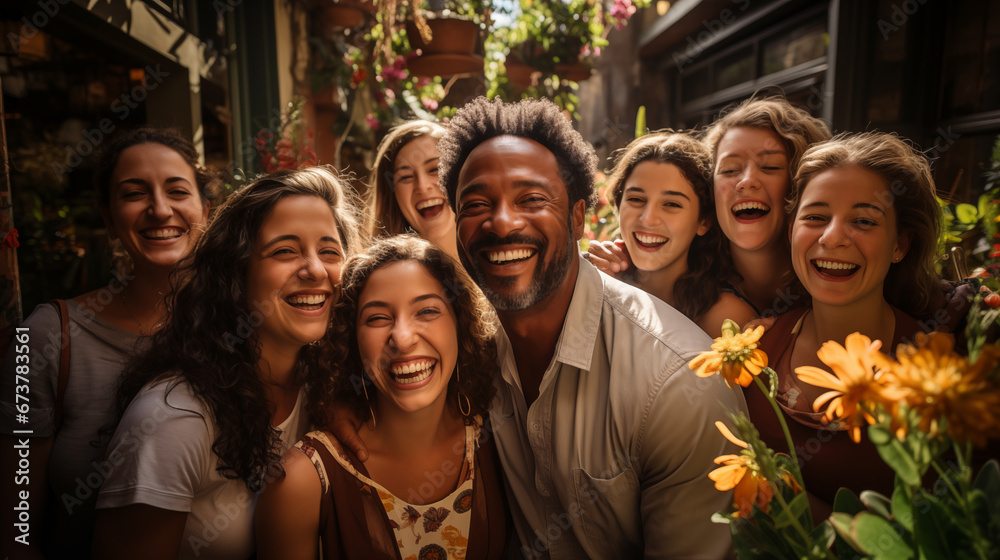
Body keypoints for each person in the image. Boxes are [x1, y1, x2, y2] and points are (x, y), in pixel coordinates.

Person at [434, 97, 742, 559]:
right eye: (476, 203)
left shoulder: (678, 384)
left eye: (531, 199)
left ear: (578, 217)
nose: (501, 222)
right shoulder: (462, 351)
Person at [92, 167, 365, 560]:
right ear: (236, 272)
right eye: (285, 251)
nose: (315, 270)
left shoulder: (327, 387)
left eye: (329, 251)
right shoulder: (173, 418)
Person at [0, 128, 217, 559]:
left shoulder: (241, 330)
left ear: (205, 210)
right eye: (134, 194)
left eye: (177, 190)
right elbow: (16, 526)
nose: (159, 209)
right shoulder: (44, 337)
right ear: (108, 217)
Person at [255, 235, 510, 559]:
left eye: (427, 311)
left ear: (460, 323)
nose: (402, 339)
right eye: (377, 318)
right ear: (351, 340)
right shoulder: (300, 481)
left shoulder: (501, 436)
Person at [744, 132, 942, 515]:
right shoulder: (753, 353)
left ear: (900, 245)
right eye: (815, 217)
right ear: (791, 232)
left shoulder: (938, 370)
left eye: (864, 221)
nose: (832, 238)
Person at [590, 96, 831, 317]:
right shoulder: (687, 281)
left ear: (800, 184)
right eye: (730, 170)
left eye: (769, 167)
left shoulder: (833, 277)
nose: (746, 181)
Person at [605, 131, 756, 336]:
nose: (648, 219)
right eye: (636, 199)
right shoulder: (600, 280)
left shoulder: (725, 319)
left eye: (671, 204)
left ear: (703, 221)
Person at [366, 120, 458, 259]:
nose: (422, 186)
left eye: (434, 169)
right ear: (392, 194)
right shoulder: (382, 276)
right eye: (405, 177)